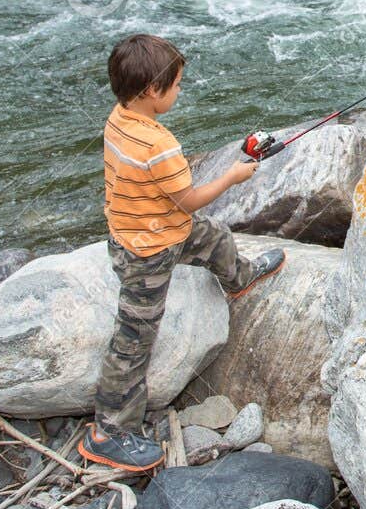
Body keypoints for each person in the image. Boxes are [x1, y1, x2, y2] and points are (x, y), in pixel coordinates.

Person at [80, 33, 285, 472]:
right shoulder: (160, 145)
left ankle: (239, 277)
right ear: (153, 91)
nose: (179, 91)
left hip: (135, 232)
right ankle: (108, 431)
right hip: (147, 253)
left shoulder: (117, 120)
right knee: (134, 338)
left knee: (212, 237)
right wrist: (232, 177)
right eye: (176, 85)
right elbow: (189, 200)